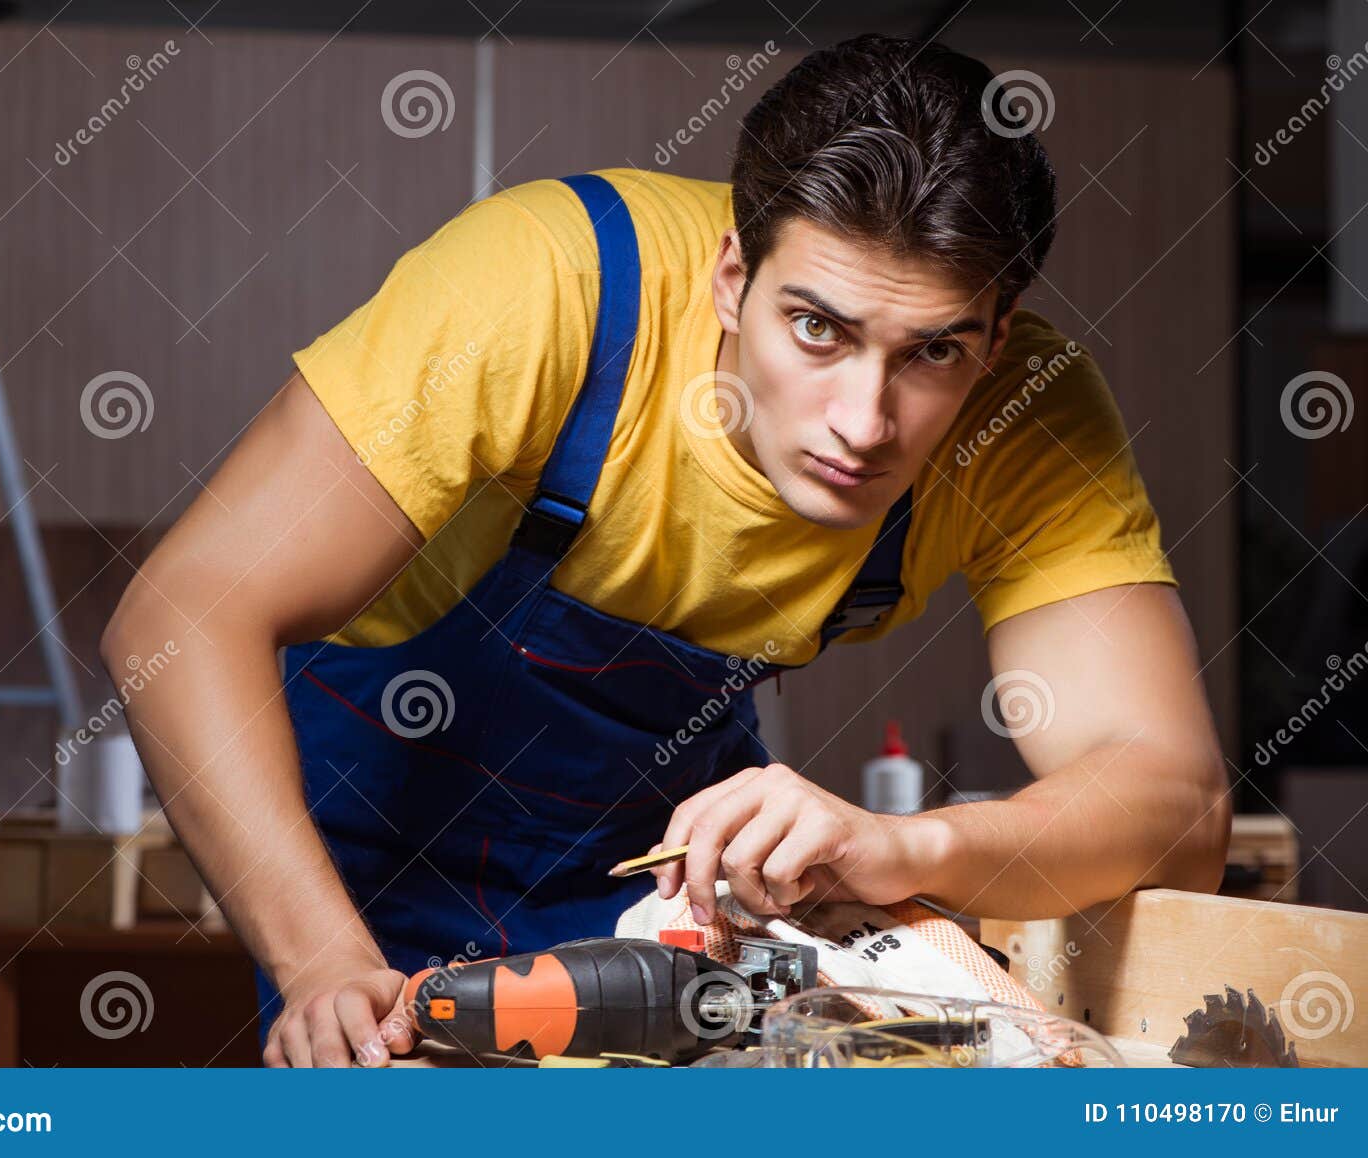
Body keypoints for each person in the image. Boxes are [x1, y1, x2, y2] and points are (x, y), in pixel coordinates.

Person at [101, 33, 1230, 1068]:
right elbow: (180, 616)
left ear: (998, 331)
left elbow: (1175, 807)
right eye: (816, 329)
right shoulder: (547, 286)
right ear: (732, 279)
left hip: (654, 877)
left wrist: (906, 847)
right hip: (373, 851)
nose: (863, 420)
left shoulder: (1022, 409)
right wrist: (317, 964)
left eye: (931, 350)